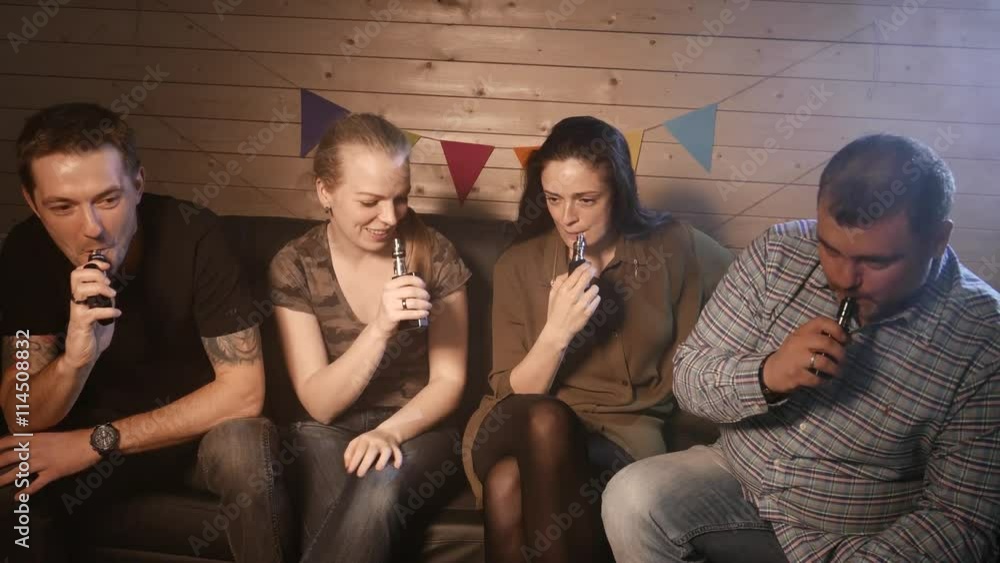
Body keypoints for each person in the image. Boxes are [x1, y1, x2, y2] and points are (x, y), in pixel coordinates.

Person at [602, 133, 1000, 563]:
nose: (845, 279)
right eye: (830, 249)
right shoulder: (778, 252)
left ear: (938, 240)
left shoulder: (984, 336)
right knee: (630, 498)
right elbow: (689, 379)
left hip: (855, 534)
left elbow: (960, 519)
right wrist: (766, 375)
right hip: (737, 476)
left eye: (877, 262)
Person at [0, 103, 292, 563]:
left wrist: (95, 441)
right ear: (34, 204)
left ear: (137, 185)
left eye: (108, 199)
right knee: (15, 486)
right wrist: (76, 360)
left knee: (244, 445)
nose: (91, 228)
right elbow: (22, 415)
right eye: (63, 207)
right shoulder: (24, 251)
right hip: (93, 458)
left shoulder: (195, 235)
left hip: (194, 437)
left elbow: (243, 393)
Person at [460, 116, 733, 563]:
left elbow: (756, 281)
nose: (567, 217)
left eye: (586, 199)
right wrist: (557, 332)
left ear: (620, 194)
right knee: (546, 420)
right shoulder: (519, 263)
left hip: (623, 432)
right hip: (517, 417)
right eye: (553, 199)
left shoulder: (671, 245)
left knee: (507, 482)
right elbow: (516, 391)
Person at [268, 113, 471, 562]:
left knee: (379, 482)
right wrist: (380, 327)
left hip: (417, 427)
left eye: (400, 199)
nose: (389, 217)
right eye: (370, 201)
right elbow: (320, 403)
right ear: (326, 191)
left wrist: (389, 433)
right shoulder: (295, 263)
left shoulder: (433, 251)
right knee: (330, 492)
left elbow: (450, 382)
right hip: (326, 426)